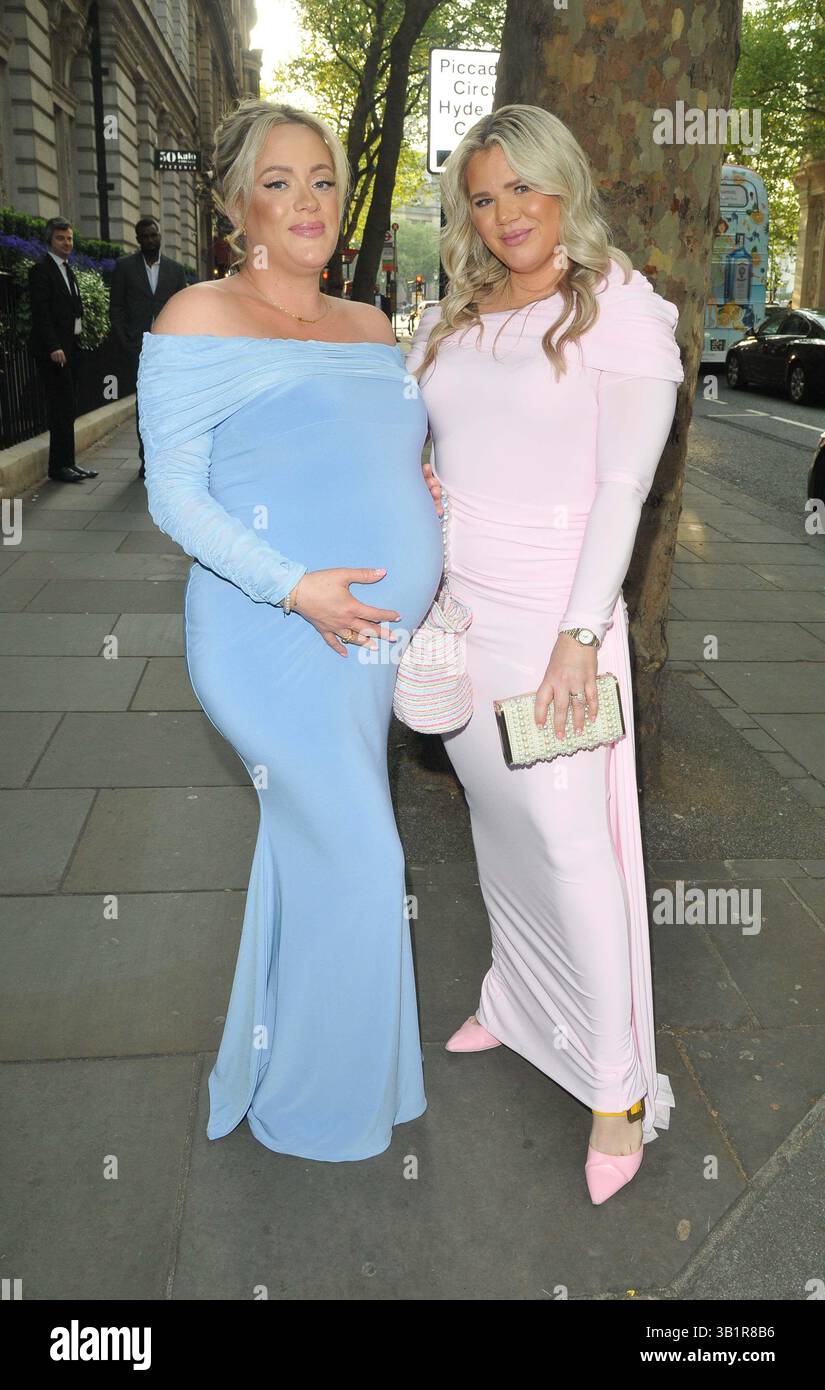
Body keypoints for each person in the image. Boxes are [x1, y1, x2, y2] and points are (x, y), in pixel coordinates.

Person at [136, 99, 443, 1161]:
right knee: (363, 856)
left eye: (322, 179)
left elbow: (383, 446)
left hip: (368, 645)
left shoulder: (367, 324)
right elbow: (173, 499)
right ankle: (322, 1104)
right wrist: (294, 585)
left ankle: (289, 1059)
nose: (306, 202)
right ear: (236, 207)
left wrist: (423, 482)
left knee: (309, 851)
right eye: (278, 182)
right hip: (269, 639)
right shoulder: (198, 317)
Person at [406, 104, 684, 1205]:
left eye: (523, 186)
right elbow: (444, 442)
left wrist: (579, 638)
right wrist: (426, 480)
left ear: (564, 183)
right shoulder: (457, 316)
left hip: (560, 624)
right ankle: (517, 1004)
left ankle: (616, 1091)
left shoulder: (619, 305)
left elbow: (625, 486)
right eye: (482, 195)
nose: (505, 211)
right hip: (463, 615)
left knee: (575, 850)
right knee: (496, 823)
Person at [109, 217, 188, 477]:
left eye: (154, 235)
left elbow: (183, 309)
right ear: (138, 239)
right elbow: (117, 308)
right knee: (144, 405)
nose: (150, 240)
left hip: (168, 349)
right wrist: (126, 341)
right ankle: (147, 460)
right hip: (139, 349)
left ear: (160, 236)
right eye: (145, 236)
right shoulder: (124, 268)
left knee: (169, 404)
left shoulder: (175, 271)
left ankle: (166, 457)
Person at [27, 218, 98, 483]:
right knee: (60, 408)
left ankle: (69, 462)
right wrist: (54, 346)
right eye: (61, 238)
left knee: (69, 408)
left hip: (72, 347)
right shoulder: (41, 270)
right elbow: (41, 313)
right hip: (55, 352)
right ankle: (59, 467)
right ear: (49, 240)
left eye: (69, 238)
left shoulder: (67, 269)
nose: (67, 243)